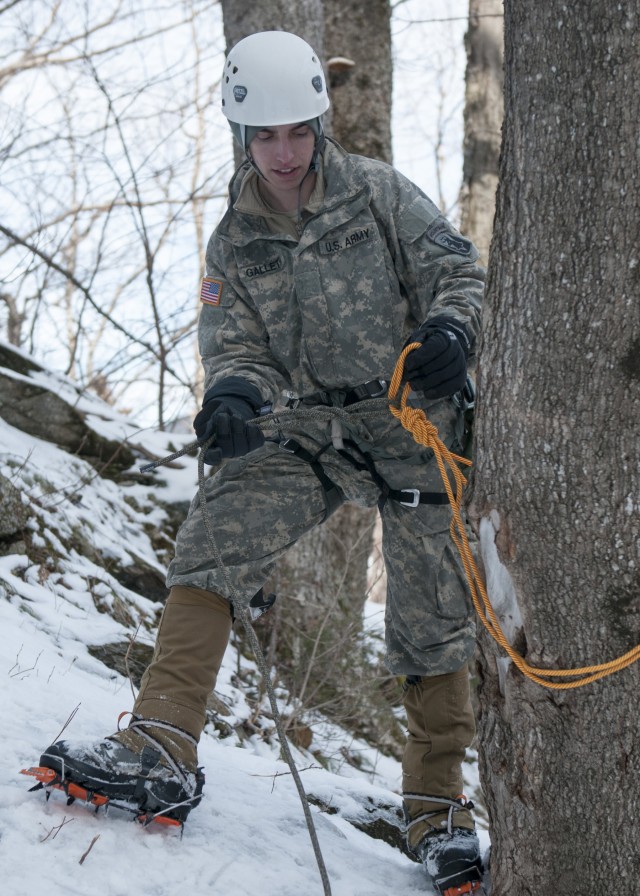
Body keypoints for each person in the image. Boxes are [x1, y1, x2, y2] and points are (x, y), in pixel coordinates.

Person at [41, 31, 485, 895]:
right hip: (310, 431)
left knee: (431, 616)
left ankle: (437, 815)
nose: (283, 154)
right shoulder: (232, 244)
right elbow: (235, 346)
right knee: (215, 529)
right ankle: (162, 743)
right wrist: (235, 397)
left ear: (320, 124)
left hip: (410, 421)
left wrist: (454, 333)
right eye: (265, 137)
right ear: (243, 137)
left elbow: (457, 274)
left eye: (297, 133)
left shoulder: (383, 195)